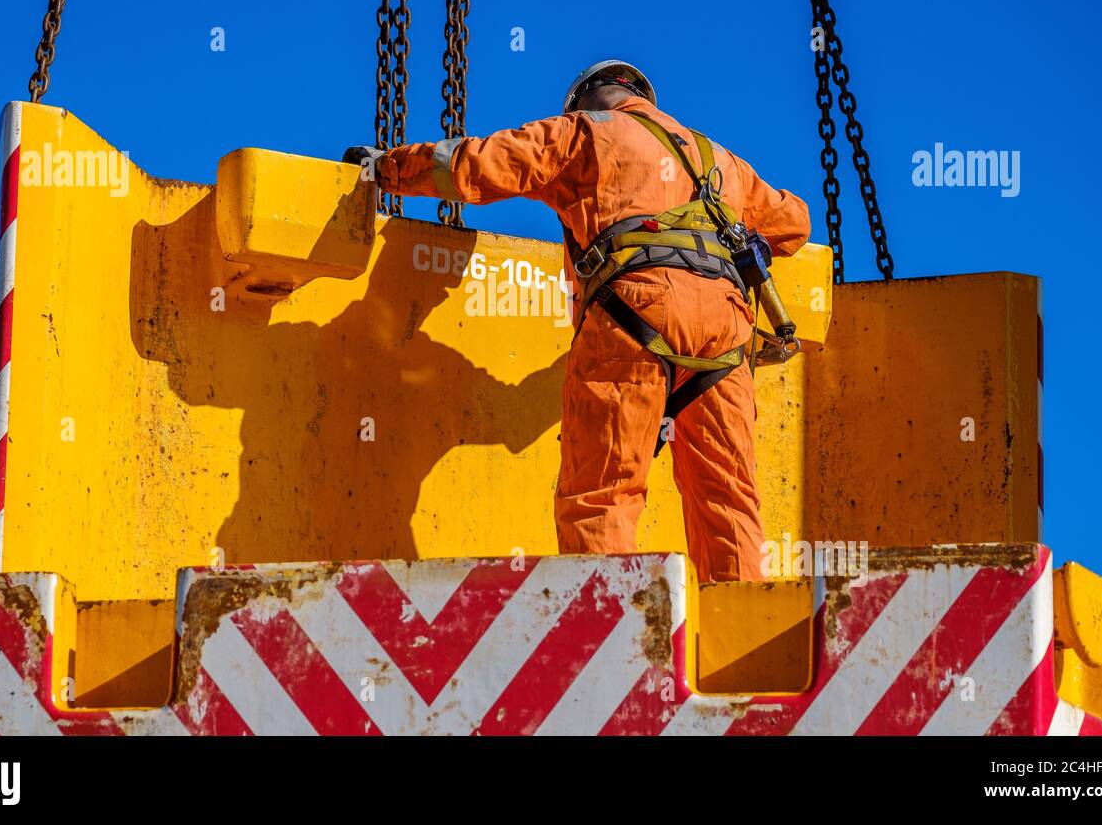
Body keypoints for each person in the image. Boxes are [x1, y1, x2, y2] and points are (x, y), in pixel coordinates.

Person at [346, 60, 811, 582]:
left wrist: (385, 168)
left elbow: (475, 164)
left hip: (633, 314)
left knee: (602, 494)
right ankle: (742, 641)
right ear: (642, 98)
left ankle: (612, 645)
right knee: (729, 499)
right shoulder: (719, 159)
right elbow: (793, 224)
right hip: (726, 334)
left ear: (586, 98)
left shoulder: (586, 132)